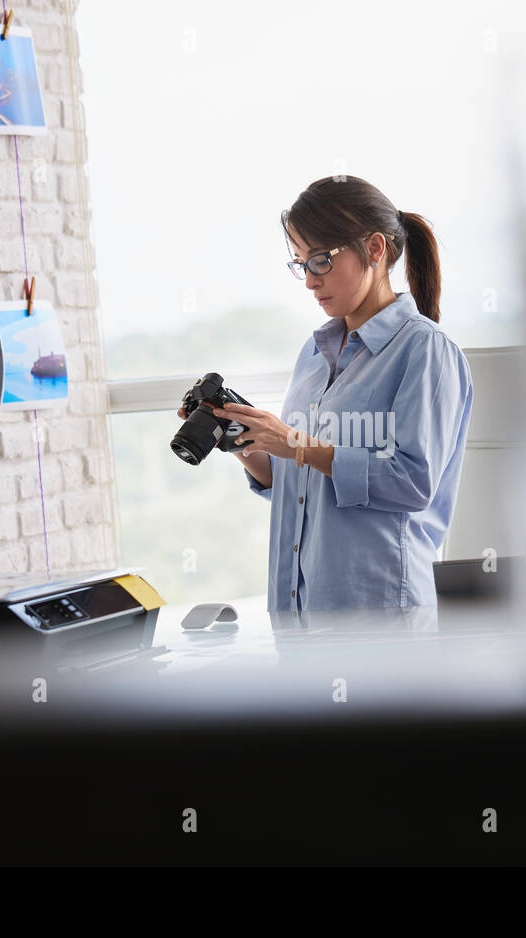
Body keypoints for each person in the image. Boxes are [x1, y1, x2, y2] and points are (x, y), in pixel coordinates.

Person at [180, 176, 473, 624]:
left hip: (377, 618)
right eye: (300, 264)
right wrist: (245, 439)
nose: (309, 281)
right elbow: (297, 482)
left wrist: (293, 443)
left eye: (320, 261)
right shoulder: (314, 355)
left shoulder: (424, 350)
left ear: (375, 250)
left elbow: (412, 482)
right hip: (298, 610)